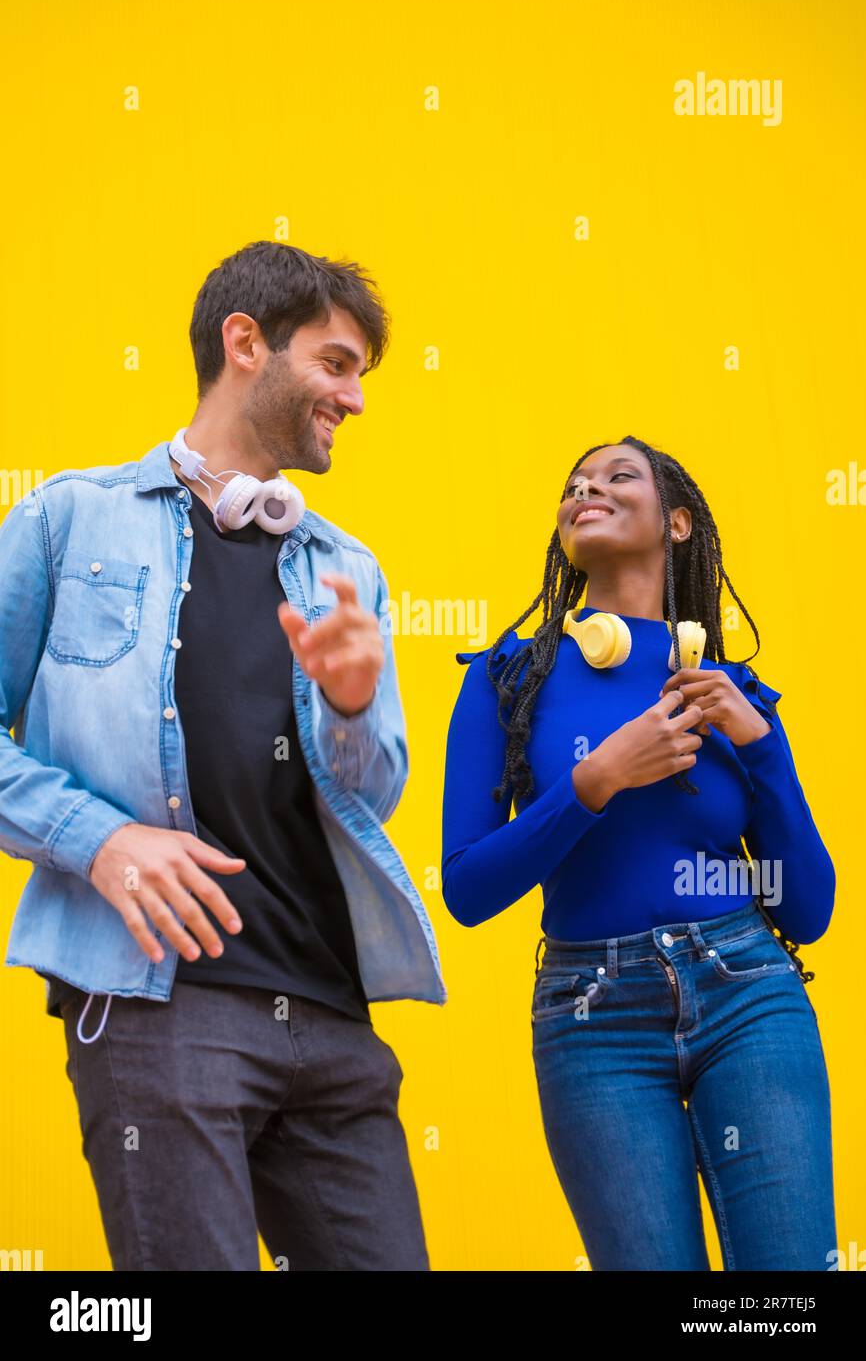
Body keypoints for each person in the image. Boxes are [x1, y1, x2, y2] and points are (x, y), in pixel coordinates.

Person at [0, 240, 443, 1271]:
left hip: (332, 1018)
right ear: (245, 342)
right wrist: (99, 838)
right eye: (336, 363)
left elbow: (371, 792)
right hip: (163, 1013)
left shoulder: (344, 566)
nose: (355, 397)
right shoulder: (70, 518)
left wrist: (350, 702)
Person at [441, 435, 836, 1271]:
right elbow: (468, 888)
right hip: (592, 1020)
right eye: (575, 483)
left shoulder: (734, 694)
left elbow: (810, 910)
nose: (588, 487)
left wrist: (761, 746)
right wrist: (594, 783)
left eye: (620, 476)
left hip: (749, 999)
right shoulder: (505, 681)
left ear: (678, 523)